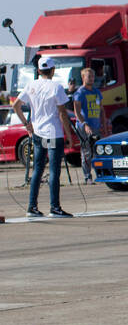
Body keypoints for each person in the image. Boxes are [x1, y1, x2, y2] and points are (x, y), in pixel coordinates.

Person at [14, 56, 77, 218]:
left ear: (39, 70)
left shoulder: (31, 85)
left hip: (37, 132)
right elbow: (63, 113)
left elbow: (16, 106)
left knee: (38, 169)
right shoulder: (56, 87)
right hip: (53, 133)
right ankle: (54, 207)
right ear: (53, 70)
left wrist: (26, 124)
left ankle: (32, 206)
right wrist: (68, 134)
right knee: (54, 170)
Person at [71, 67, 102, 184]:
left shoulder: (97, 92)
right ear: (83, 77)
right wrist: (84, 124)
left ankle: (100, 174)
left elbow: (101, 109)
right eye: (89, 76)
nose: (92, 78)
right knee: (86, 152)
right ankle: (87, 176)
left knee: (98, 151)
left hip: (96, 125)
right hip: (84, 126)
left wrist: (104, 124)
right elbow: (77, 111)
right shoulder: (79, 93)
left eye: (93, 76)